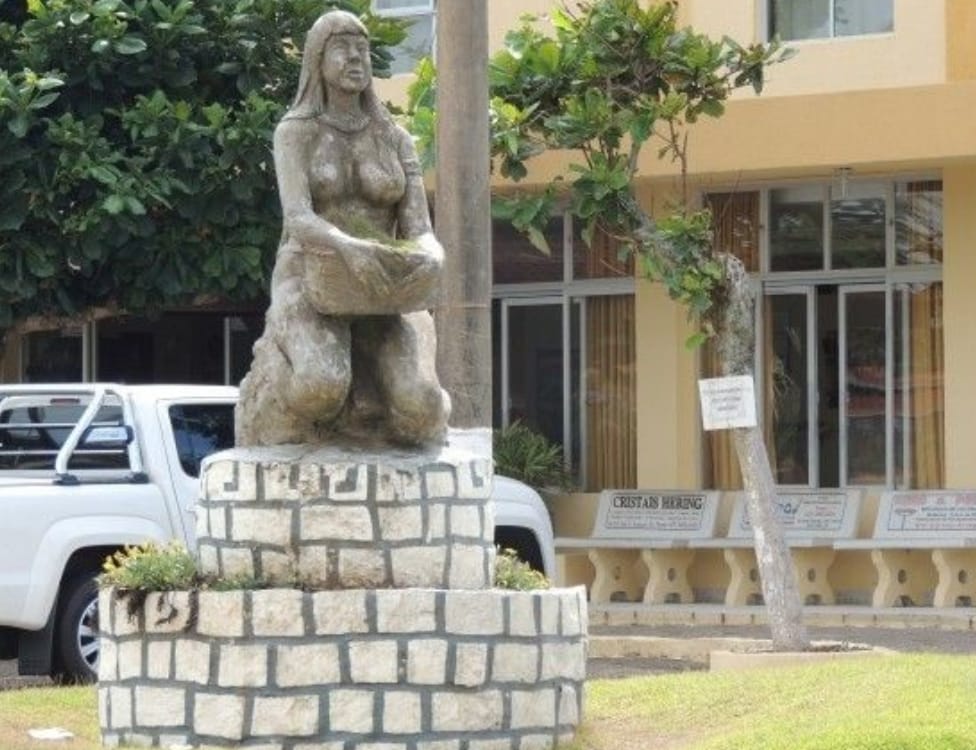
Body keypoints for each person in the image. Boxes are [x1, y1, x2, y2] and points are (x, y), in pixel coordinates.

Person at [235, 10, 450, 447]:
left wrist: (432, 255)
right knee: (320, 387)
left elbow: (418, 227)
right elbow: (297, 217)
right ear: (318, 59)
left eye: (363, 49)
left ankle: (379, 394)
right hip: (311, 277)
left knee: (421, 406)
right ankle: (270, 372)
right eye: (342, 47)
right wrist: (347, 247)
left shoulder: (395, 137)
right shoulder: (296, 132)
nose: (355, 57)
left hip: (381, 287)